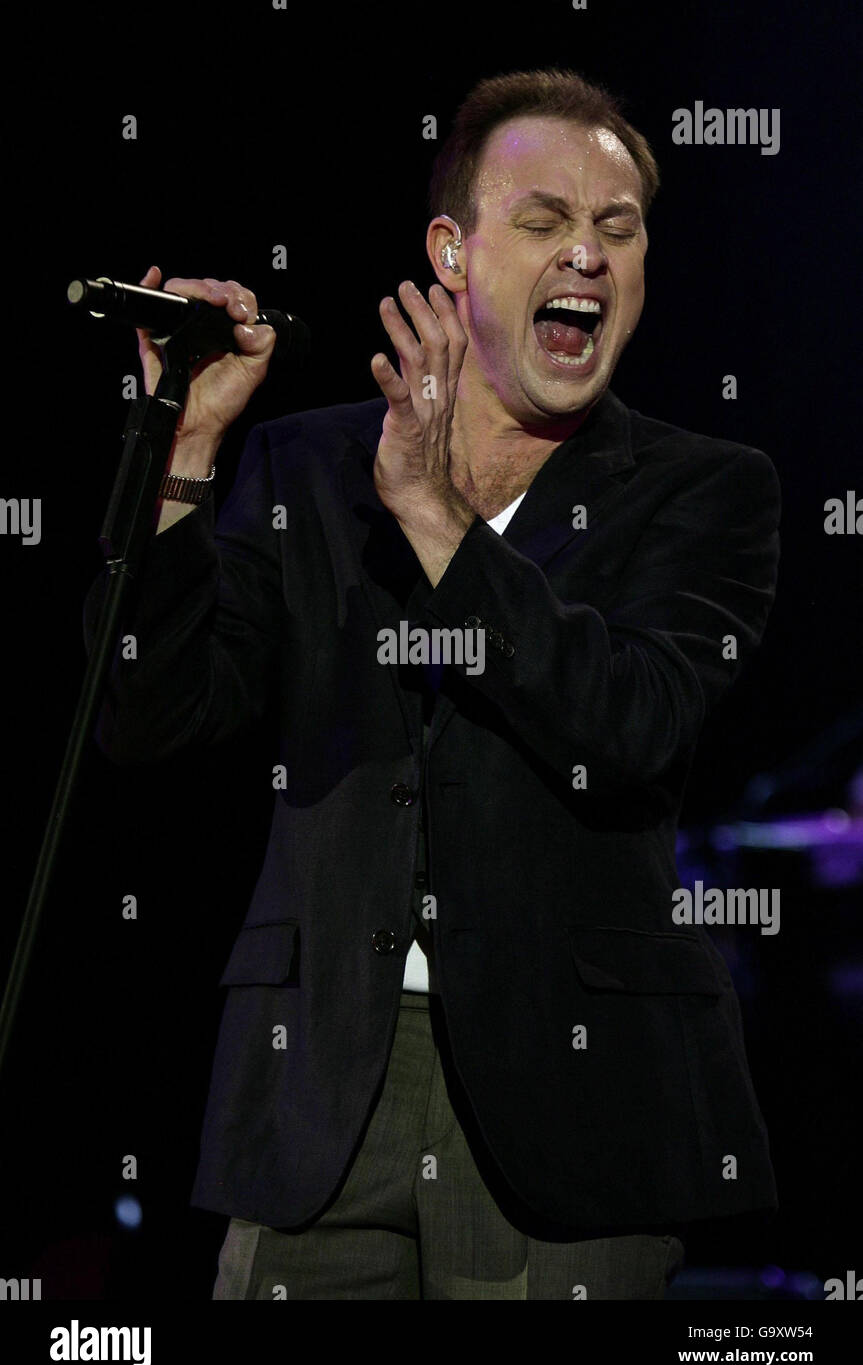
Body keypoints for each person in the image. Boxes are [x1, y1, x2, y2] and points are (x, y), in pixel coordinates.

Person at [84, 68, 780, 1300]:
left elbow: (629, 722)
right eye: (544, 219)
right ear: (450, 252)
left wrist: (443, 527)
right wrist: (187, 445)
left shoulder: (705, 489)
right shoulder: (312, 462)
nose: (587, 253)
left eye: (616, 231)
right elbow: (147, 709)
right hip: (315, 1097)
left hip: (570, 1115)